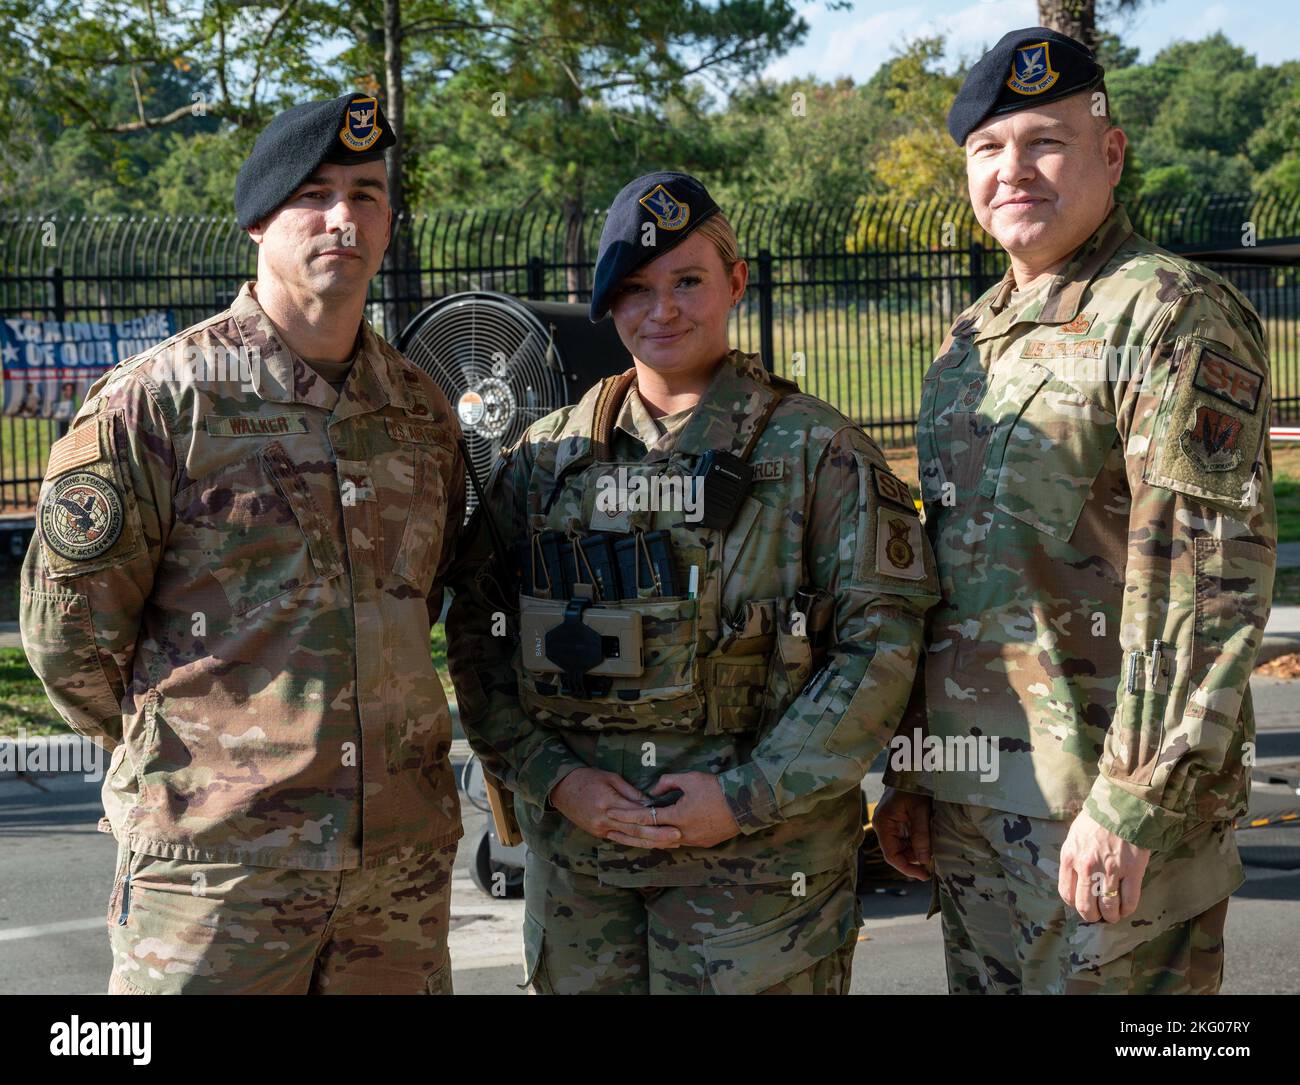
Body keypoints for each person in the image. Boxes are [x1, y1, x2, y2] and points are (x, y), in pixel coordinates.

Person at [447, 171, 939, 994]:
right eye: (635, 289)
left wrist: (743, 797)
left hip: (757, 898)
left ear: (736, 282)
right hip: (582, 890)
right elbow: (479, 638)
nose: (662, 310)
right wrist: (554, 778)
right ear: (605, 302)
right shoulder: (544, 460)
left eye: (687, 282)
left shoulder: (821, 456)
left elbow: (881, 651)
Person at [20, 92, 466, 994]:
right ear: (258, 219)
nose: (345, 216)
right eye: (317, 192)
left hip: (395, 881)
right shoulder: (161, 403)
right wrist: (201, 760)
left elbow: (433, 593)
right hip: (214, 882)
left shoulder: (421, 410)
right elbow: (68, 638)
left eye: (369, 194)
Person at [873, 28, 1276, 994]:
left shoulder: (1169, 314)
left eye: (1045, 141)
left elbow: (1204, 585)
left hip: (1108, 812)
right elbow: (955, 571)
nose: (1014, 171)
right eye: (988, 149)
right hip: (979, 809)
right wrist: (919, 768)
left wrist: (1135, 803)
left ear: (1112, 151)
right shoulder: (974, 336)